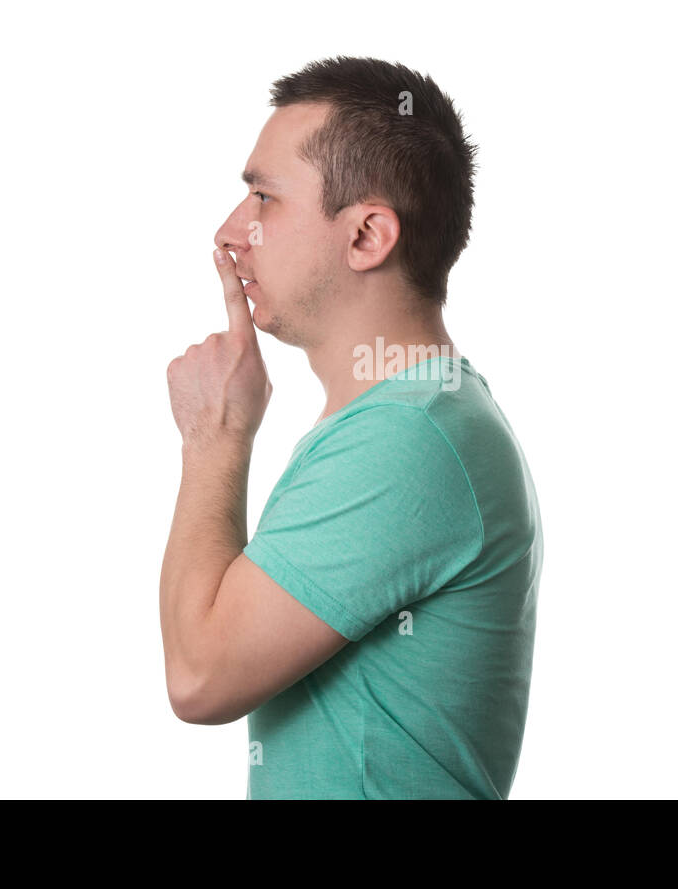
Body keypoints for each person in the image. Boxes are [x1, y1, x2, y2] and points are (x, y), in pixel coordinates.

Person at [159, 56, 542, 798]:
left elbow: (198, 675)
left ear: (368, 236)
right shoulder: (413, 420)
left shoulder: (410, 438)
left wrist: (216, 434)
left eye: (264, 199)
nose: (232, 232)